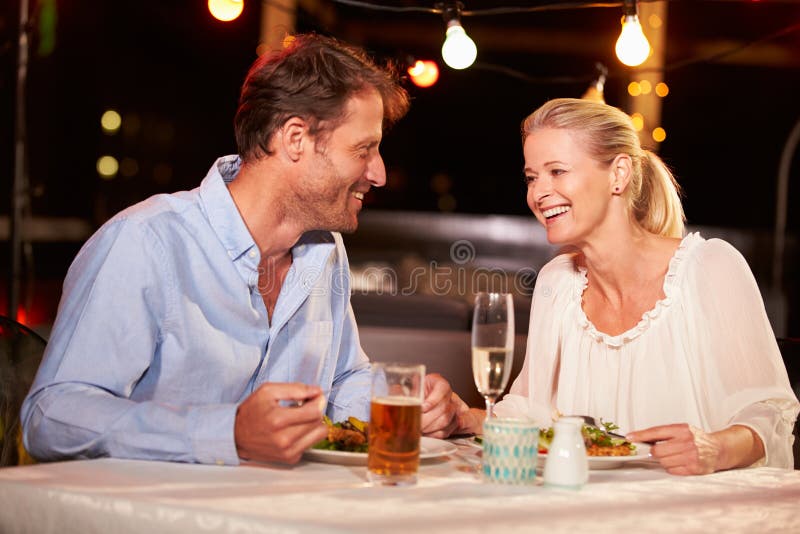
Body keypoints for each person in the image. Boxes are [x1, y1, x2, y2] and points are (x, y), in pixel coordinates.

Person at [21, 33, 460, 466]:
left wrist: (401, 401)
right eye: (364, 149)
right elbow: (52, 417)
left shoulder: (326, 251)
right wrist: (227, 433)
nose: (379, 173)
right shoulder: (146, 241)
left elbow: (342, 381)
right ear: (294, 139)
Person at [456, 98, 799, 474]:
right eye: (532, 177)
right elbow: (529, 410)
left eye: (557, 171)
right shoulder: (556, 282)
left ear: (618, 173)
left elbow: (770, 413)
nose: (538, 193)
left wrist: (714, 448)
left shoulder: (709, 267)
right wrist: (462, 417)